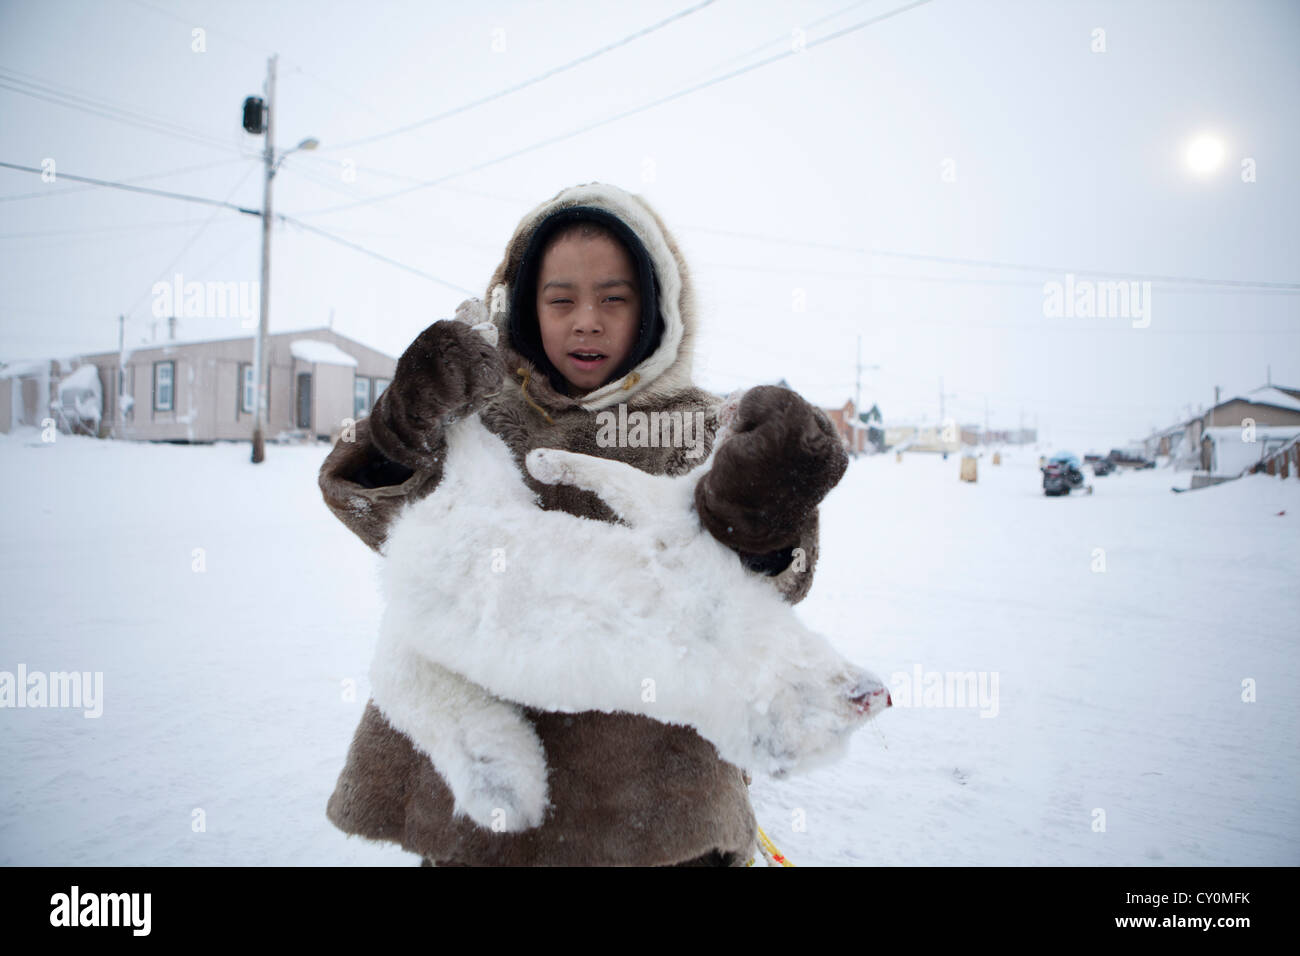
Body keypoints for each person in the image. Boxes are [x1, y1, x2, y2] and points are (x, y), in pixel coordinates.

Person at [319, 182, 848, 866]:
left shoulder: (698, 428)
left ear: (656, 309)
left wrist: (761, 516)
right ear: (524, 306)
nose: (587, 320)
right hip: (479, 820)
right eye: (561, 299)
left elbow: (772, 591)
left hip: (655, 808)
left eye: (615, 298)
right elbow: (392, 526)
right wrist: (406, 422)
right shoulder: (476, 412)